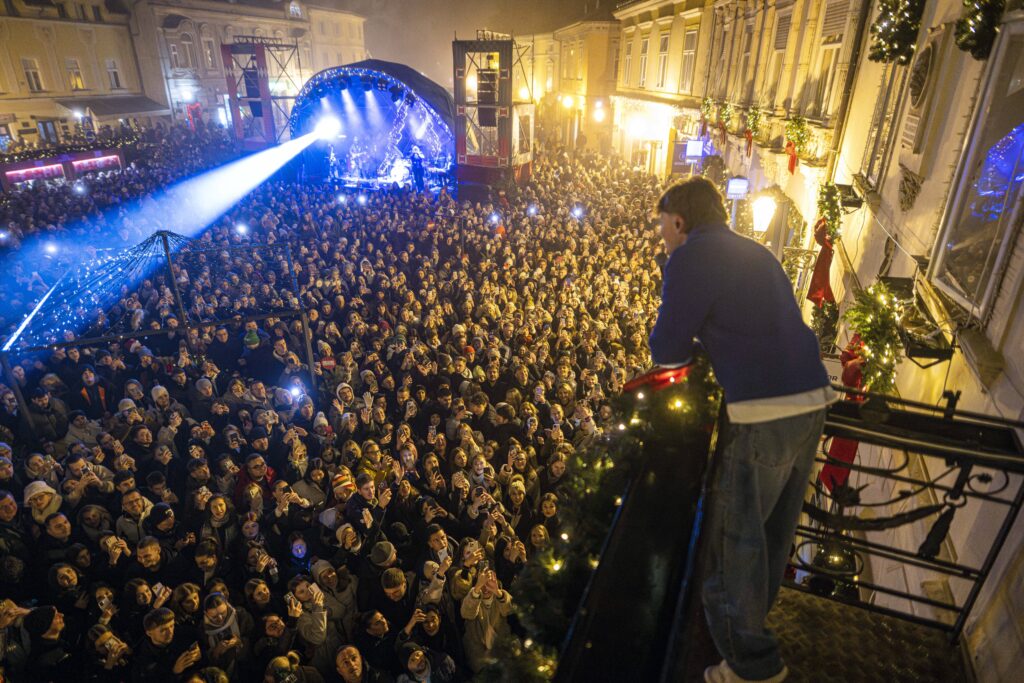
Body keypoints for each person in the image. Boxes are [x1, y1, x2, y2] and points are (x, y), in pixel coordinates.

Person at [649, 177, 834, 683]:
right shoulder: (754, 252)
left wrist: (674, 281)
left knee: (734, 541)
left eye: (662, 226)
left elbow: (666, 348)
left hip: (762, 410)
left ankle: (755, 666)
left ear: (681, 222)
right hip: (812, 400)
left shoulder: (690, 258)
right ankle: (748, 634)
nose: (660, 236)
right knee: (773, 533)